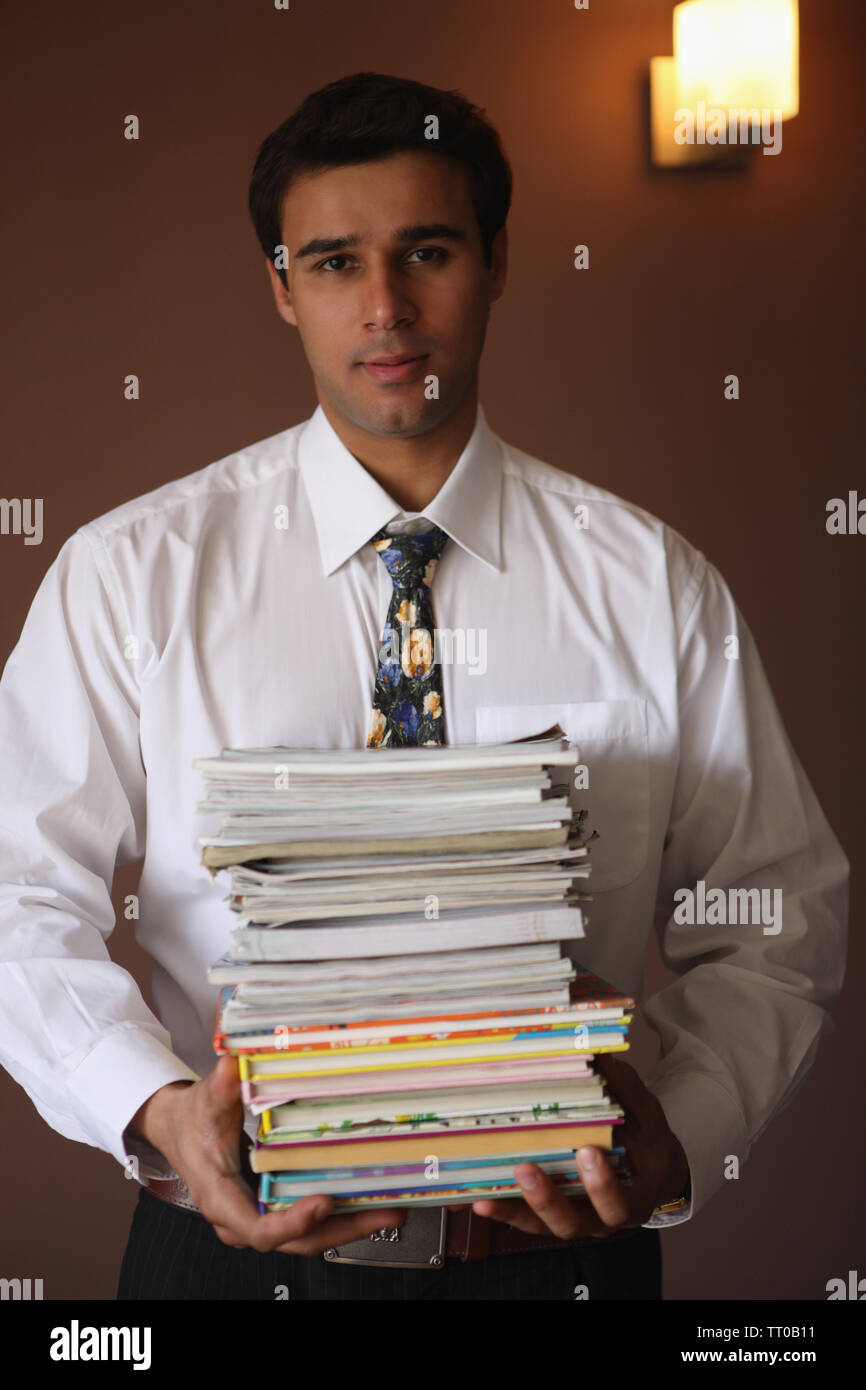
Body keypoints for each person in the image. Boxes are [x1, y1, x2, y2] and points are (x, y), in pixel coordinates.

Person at [0, 72, 848, 1302]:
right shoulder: (130, 576)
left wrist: (675, 1133)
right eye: (335, 262)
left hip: (559, 1265)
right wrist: (154, 1107)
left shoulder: (651, 584)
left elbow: (778, 914)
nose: (386, 307)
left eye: (428, 251)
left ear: (497, 261)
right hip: (227, 1260)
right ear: (281, 286)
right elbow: (16, 889)